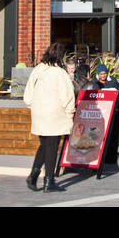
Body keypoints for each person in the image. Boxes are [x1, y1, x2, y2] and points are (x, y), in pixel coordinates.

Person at [23, 42, 76, 193]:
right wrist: (69, 114)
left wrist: (34, 107)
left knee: (44, 144)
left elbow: (28, 94)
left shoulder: (38, 70)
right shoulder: (60, 73)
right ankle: (49, 181)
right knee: (52, 146)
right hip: (55, 114)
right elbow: (67, 97)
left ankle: (33, 175)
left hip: (39, 113)